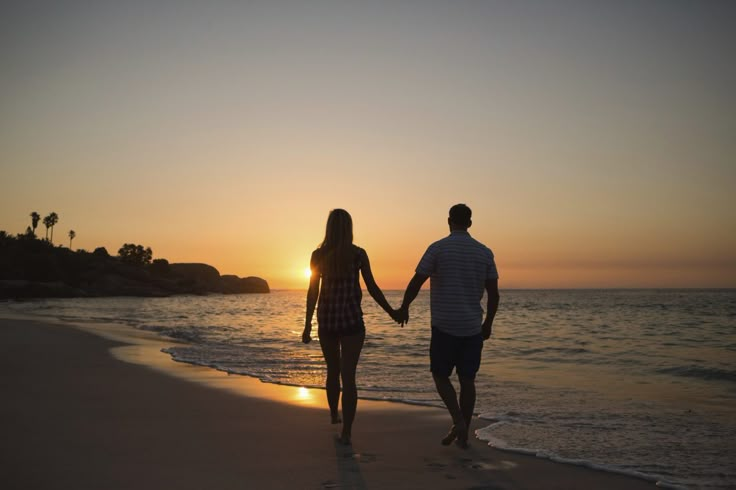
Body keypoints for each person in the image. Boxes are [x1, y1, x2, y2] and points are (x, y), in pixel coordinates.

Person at [397, 203, 499, 448]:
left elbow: (417, 281)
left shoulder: (438, 249)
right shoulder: (484, 252)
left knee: (440, 376)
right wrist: (488, 323)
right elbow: (494, 294)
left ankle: (459, 422)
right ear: (470, 223)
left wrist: (404, 307)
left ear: (449, 221)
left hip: (444, 326)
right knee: (467, 380)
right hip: (473, 326)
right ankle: (462, 431)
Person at [302, 208, 399, 445]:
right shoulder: (358, 254)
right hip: (352, 321)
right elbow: (373, 288)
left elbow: (312, 292)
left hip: (327, 321)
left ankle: (334, 413)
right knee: (349, 376)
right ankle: (347, 433)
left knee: (333, 372)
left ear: (329, 228)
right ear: (349, 228)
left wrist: (307, 325)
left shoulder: (318, 255)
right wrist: (392, 311)